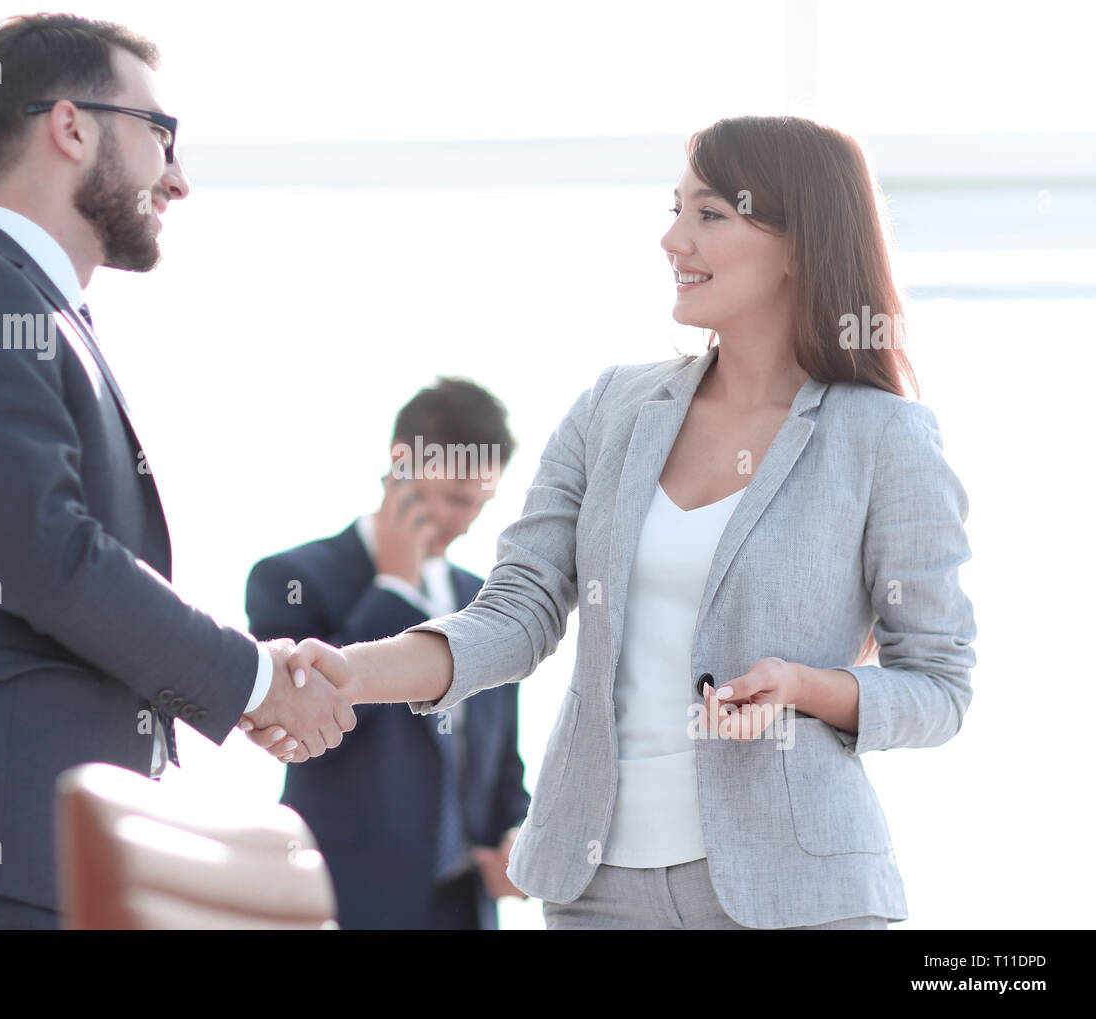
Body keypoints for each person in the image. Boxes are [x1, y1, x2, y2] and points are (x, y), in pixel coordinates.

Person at [250, 115, 978, 930]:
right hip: (596, 885)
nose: (673, 237)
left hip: (796, 892)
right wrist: (354, 672)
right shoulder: (612, 409)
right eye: (675, 208)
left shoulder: (883, 436)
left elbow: (940, 686)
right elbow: (515, 610)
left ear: (798, 243)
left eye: (709, 214)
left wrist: (807, 688)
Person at [0, 13, 353, 931]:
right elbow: (47, 558)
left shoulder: (36, 313)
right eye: (160, 135)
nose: (177, 176)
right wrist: (253, 678)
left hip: (8, 849)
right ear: (71, 126)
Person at [245, 379, 531, 929]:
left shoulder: (487, 603)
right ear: (401, 465)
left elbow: (499, 765)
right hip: (347, 901)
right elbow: (304, 731)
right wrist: (394, 591)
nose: (465, 522)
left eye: (480, 504)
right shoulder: (291, 579)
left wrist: (516, 836)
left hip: (464, 908)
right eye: (454, 499)